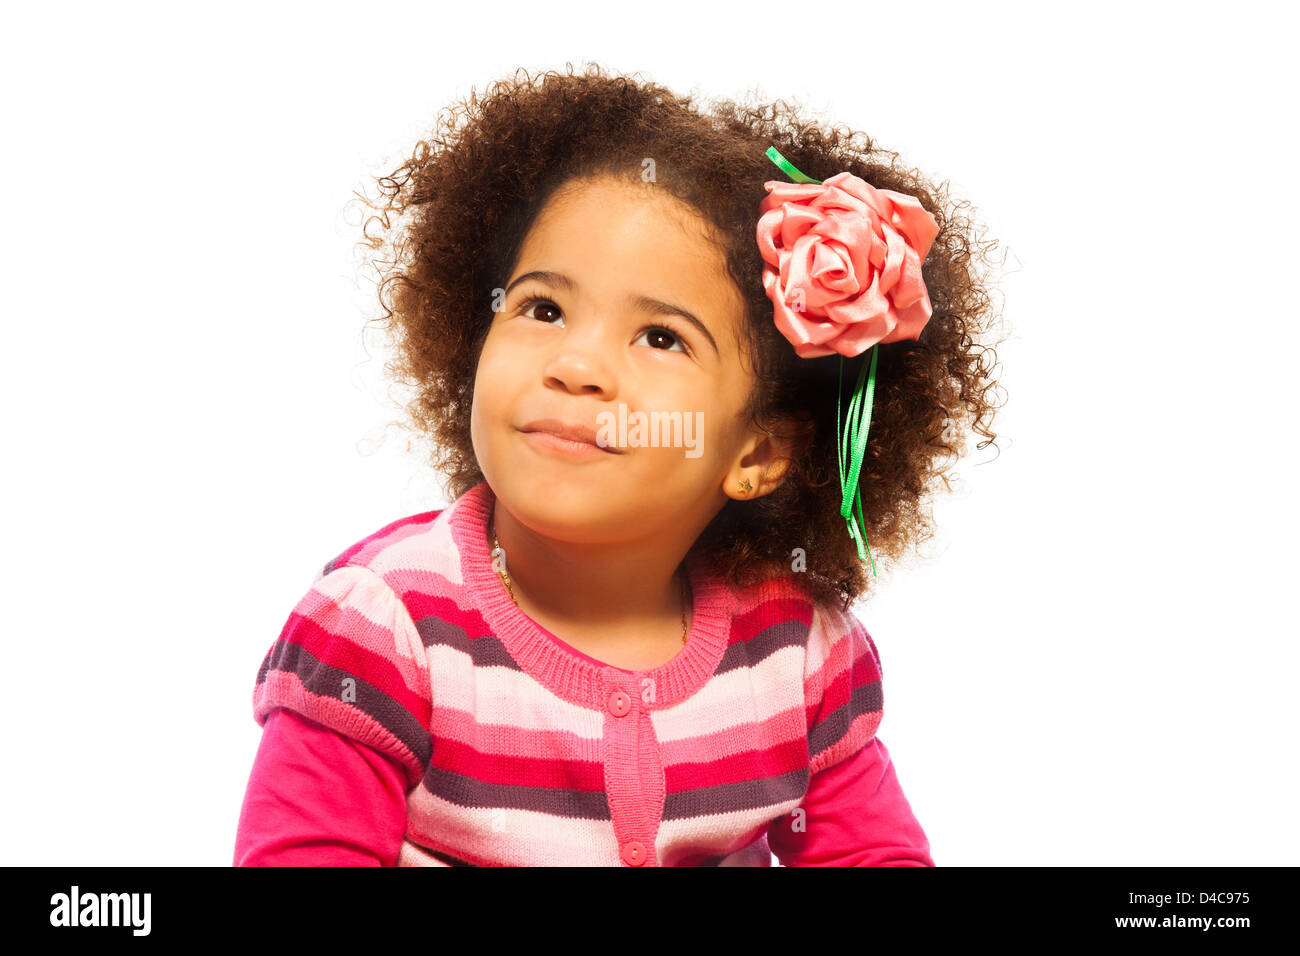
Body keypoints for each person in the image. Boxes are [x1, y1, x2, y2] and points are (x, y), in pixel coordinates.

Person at [234, 63, 1004, 866]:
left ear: (758, 453)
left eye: (661, 337)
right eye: (543, 308)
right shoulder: (385, 630)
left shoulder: (795, 653)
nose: (576, 364)